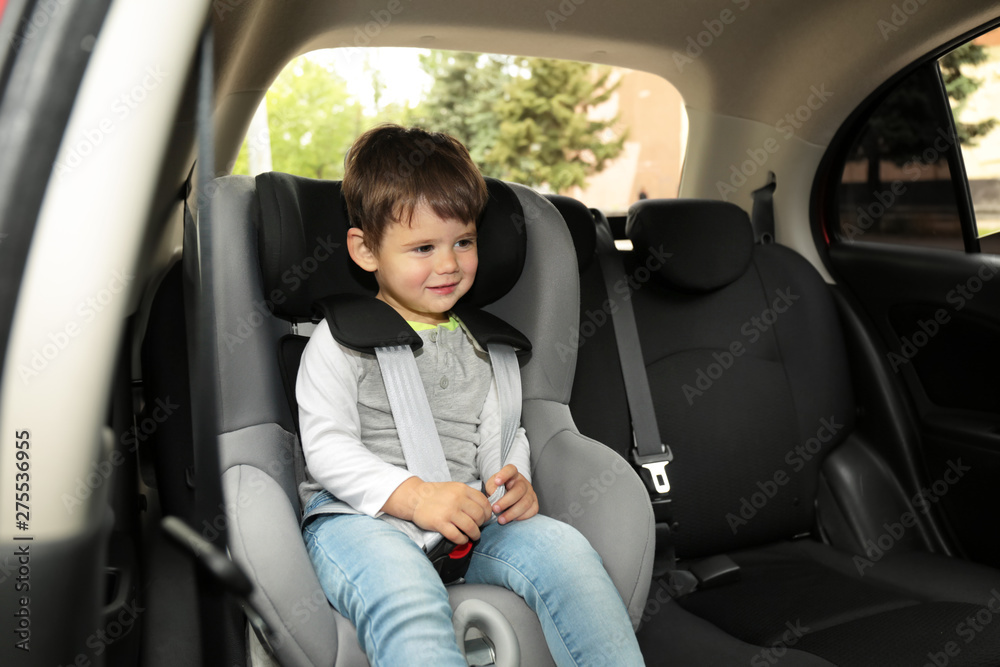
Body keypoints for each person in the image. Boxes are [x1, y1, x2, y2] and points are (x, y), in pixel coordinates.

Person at [297, 124, 644, 666]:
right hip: (359, 518)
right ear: (365, 250)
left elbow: (501, 431)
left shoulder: (487, 346)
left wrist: (512, 478)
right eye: (423, 248)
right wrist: (415, 497)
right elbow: (326, 447)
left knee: (568, 553)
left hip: (470, 517)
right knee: (405, 596)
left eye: (463, 242)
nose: (449, 264)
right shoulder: (338, 340)